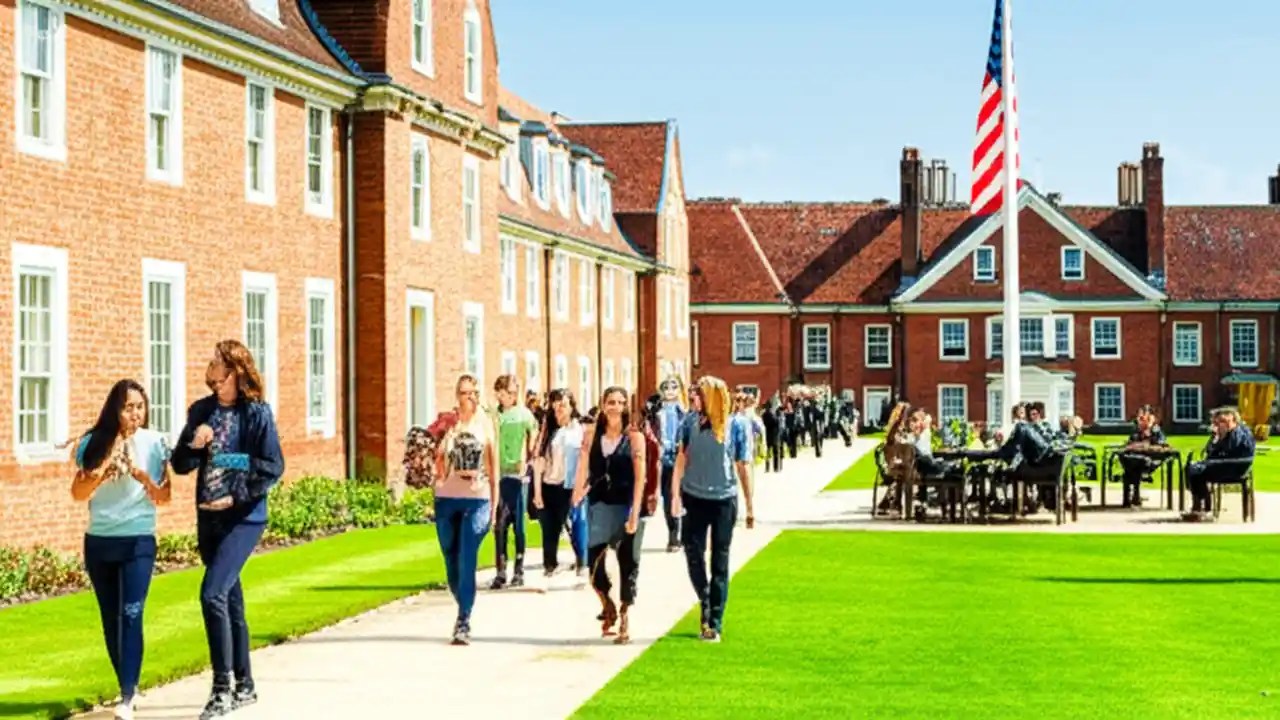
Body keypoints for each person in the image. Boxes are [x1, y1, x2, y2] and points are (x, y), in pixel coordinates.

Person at [170, 342, 283, 719]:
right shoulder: (202, 411)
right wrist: (195, 442)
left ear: (234, 370)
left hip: (244, 517)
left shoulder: (257, 415)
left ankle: (221, 689)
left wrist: (233, 494)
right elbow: (180, 464)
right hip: (209, 518)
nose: (211, 370)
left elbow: (272, 466)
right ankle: (245, 684)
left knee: (212, 594)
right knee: (230, 600)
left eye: (217, 363)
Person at [70, 380, 172, 720]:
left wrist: (142, 475)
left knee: (131, 614)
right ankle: (126, 683)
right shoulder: (92, 442)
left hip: (138, 539)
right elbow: (78, 492)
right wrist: (103, 470)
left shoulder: (156, 442)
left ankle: (127, 697)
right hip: (99, 541)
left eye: (140, 406)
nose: (135, 414)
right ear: (115, 409)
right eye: (129, 407)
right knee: (111, 619)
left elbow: (164, 496)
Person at [671, 376, 752, 643]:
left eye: (700, 393)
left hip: (723, 500)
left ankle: (714, 621)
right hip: (693, 496)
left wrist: (750, 506)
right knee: (692, 551)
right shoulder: (689, 423)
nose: (694, 397)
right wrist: (674, 495)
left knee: (720, 560)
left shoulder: (736, 426)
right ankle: (705, 597)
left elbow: (743, 465)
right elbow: (681, 458)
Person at [571, 386, 646, 644]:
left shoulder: (635, 438)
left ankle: (625, 613)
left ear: (626, 406)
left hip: (626, 506)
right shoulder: (592, 435)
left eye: (620, 402)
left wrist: (635, 513)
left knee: (628, 564)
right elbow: (583, 464)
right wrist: (578, 492)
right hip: (600, 505)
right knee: (593, 564)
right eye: (611, 402)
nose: (615, 407)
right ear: (603, 405)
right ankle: (607, 603)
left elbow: (640, 479)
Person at [433, 374, 499, 644]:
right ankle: (463, 600)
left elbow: (494, 470)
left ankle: (463, 620)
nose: (468, 397)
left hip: (477, 498)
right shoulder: (447, 423)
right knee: (451, 559)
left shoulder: (486, 425)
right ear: (457, 395)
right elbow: (434, 463)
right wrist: (441, 440)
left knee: (467, 556)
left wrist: (494, 508)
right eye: (463, 392)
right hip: (447, 497)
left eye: (472, 392)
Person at [532, 388, 587, 576]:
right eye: (555, 406)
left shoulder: (580, 430)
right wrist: (538, 493)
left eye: (563, 405)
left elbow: (584, 463)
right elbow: (538, 462)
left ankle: (583, 562)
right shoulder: (548, 432)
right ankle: (550, 565)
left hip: (568, 486)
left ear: (572, 406)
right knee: (549, 529)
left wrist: (580, 489)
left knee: (574, 525)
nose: (559, 410)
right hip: (548, 485)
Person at [489, 375, 537, 589]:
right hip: (499, 475)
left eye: (512, 392)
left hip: (517, 476)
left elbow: (534, 433)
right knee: (500, 525)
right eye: (506, 392)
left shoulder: (523, 414)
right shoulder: (493, 416)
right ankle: (500, 570)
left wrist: (527, 457)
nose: (509, 395)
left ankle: (519, 569)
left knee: (519, 525)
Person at [1186, 407, 1255, 517]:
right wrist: (1215, 438)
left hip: (1235, 467)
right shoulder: (1226, 433)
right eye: (1217, 422)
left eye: (1222, 421)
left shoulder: (1239, 431)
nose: (1219, 425)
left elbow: (1231, 448)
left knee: (1196, 471)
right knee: (1192, 468)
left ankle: (1201, 507)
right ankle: (1201, 504)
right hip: (1224, 464)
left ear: (1232, 419)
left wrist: (1221, 437)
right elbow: (1211, 453)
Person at [656, 375, 688, 552]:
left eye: (673, 387)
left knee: (681, 496)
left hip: (680, 460)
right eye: (666, 387)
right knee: (667, 498)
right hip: (664, 461)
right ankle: (673, 533)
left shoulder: (684, 413)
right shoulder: (657, 413)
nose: (669, 391)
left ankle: (680, 534)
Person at [1118, 405, 1167, 507]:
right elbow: (1129, 445)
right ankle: (1134, 498)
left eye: (1143, 418)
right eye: (1139, 418)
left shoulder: (1156, 431)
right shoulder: (1136, 432)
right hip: (1135, 462)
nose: (1140, 421)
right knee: (1128, 463)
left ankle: (1132, 498)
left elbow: (1161, 446)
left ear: (1151, 418)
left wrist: (1147, 444)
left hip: (1151, 461)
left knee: (1133, 469)